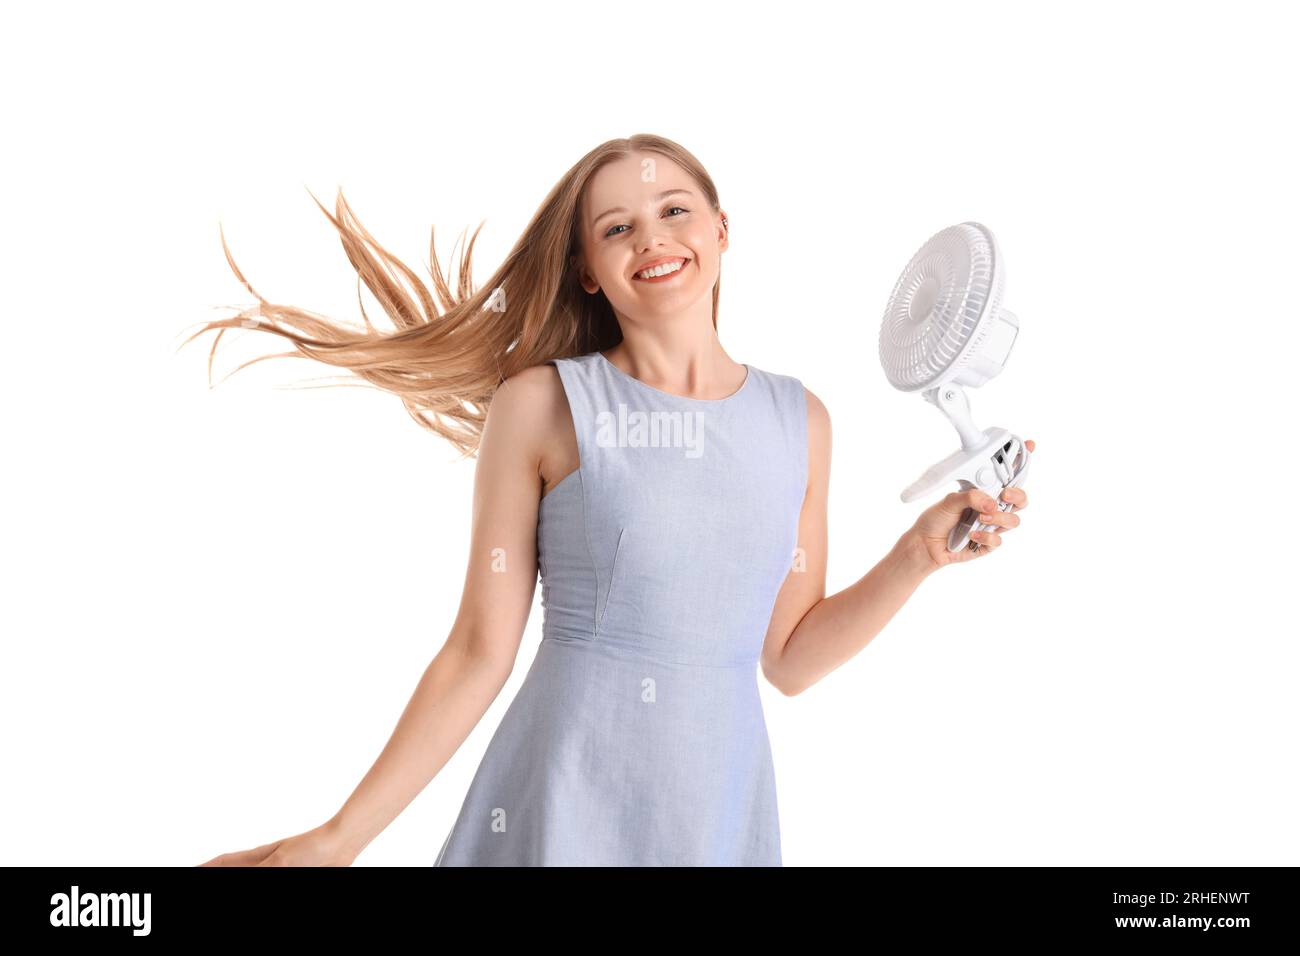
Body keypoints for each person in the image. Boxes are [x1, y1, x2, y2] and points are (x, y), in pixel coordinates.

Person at [190, 133, 1034, 867]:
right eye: (617, 229)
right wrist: (340, 839)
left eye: (674, 211)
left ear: (721, 230)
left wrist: (916, 556)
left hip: (718, 812)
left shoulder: (800, 420)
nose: (653, 239)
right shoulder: (543, 405)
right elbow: (479, 652)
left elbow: (787, 658)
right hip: (564, 799)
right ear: (589, 273)